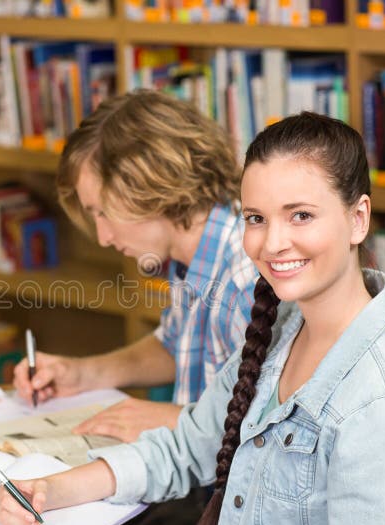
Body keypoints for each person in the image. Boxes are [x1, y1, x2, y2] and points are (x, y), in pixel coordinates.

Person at [0, 112, 385, 525]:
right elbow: (183, 450)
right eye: (256, 218)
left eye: (300, 215)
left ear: (358, 219)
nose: (272, 242)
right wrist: (52, 490)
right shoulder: (281, 331)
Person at [13, 90, 258, 443]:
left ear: (153, 184)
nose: (102, 236)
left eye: (103, 212)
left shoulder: (246, 280)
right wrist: (82, 373)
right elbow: (177, 347)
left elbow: (277, 428)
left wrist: (173, 420)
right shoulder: (194, 255)